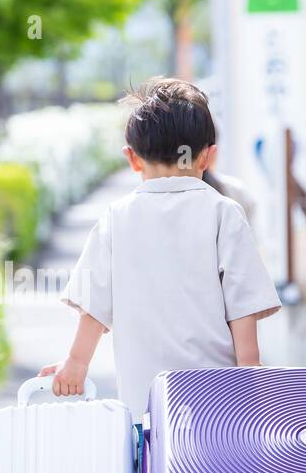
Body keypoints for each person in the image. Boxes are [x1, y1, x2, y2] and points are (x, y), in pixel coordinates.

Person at [40, 77, 281, 418]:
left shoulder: (116, 218)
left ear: (132, 159)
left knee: (151, 469)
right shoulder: (223, 212)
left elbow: (93, 305)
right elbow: (242, 303)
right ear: (208, 156)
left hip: (145, 403)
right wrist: (250, 372)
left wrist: (76, 364)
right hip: (218, 401)